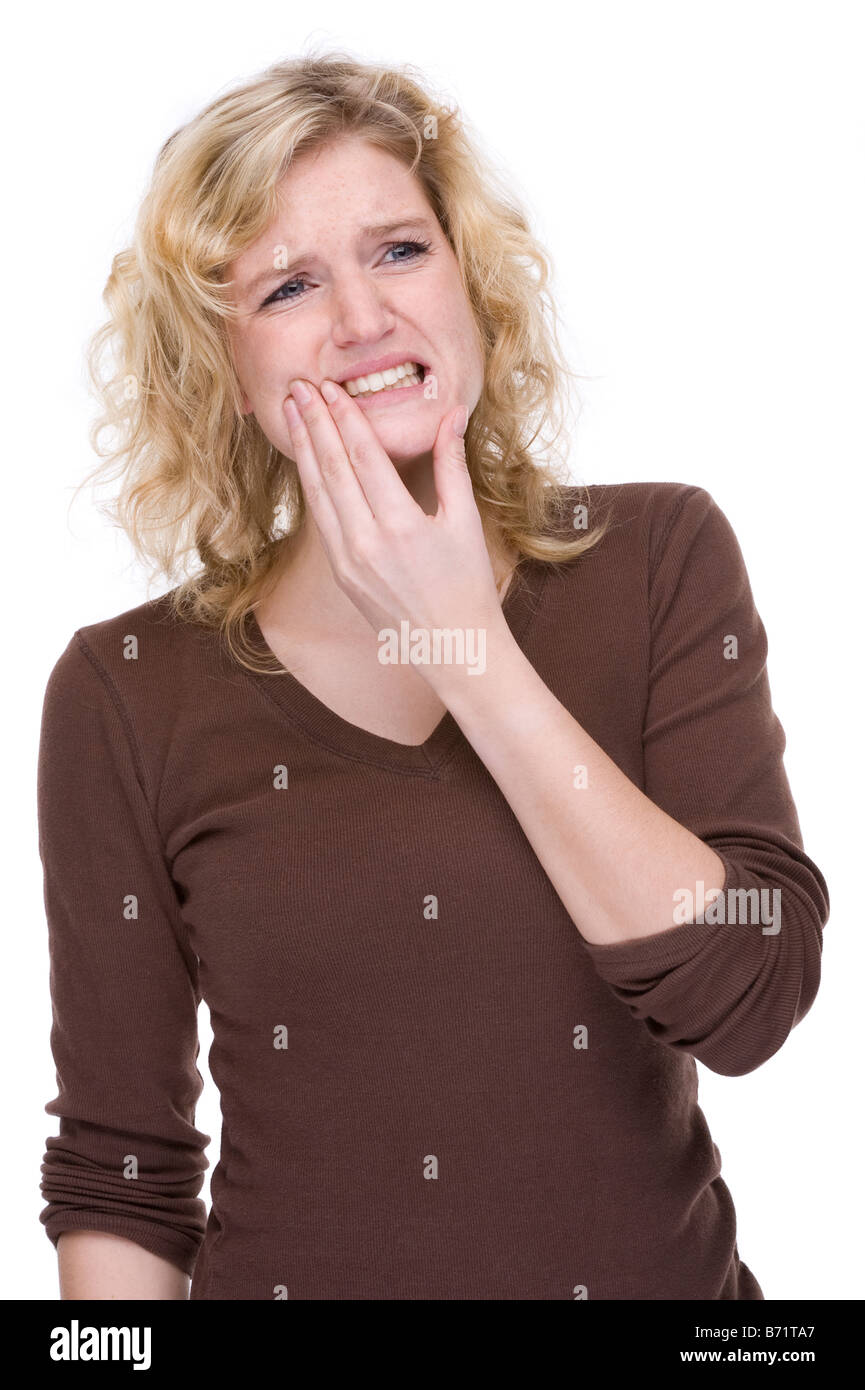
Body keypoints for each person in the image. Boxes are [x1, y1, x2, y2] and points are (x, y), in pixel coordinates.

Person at [37, 50, 829, 1301]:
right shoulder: (125, 689)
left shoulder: (660, 556)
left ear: (469, 285)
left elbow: (753, 983)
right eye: (291, 284)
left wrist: (463, 644)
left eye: (400, 251)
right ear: (227, 378)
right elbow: (118, 1175)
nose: (364, 319)